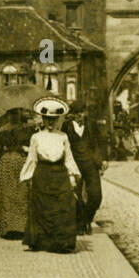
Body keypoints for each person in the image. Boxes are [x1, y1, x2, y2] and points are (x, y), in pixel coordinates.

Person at [19, 96, 82, 252]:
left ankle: (62, 243)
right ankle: (42, 242)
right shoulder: (36, 137)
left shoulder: (63, 136)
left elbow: (68, 157)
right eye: (48, 119)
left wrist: (73, 174)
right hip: (43, 174)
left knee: (63, 207)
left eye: (54, 119)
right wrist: (27, 177)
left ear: (58, 120)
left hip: (59, 175)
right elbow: (32, 159)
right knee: (42, 207)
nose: (50, 122)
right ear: (43, 119)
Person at [63, 100, 107, 235]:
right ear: (73, 114)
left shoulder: (91, 124)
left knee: (96, 195)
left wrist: (104, 159)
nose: (81, 115)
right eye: (78, 113)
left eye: (82, 112)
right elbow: (63, 145)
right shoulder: (66, 126)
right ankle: (80, 224)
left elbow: (101, 141)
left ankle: (86, 219)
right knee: (76, 196)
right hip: (74, 165)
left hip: (91, 164)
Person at [0, 108, 35, 238]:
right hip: (11, 163)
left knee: (21, 194)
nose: (14, 116)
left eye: (16, 114)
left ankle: (17, 228)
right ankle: (11, 229)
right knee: (9, 196)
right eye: (12, 114)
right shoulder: (5, 130)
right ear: (8, 115)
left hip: (19, 164)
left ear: (20, 114)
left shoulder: (26, 129)